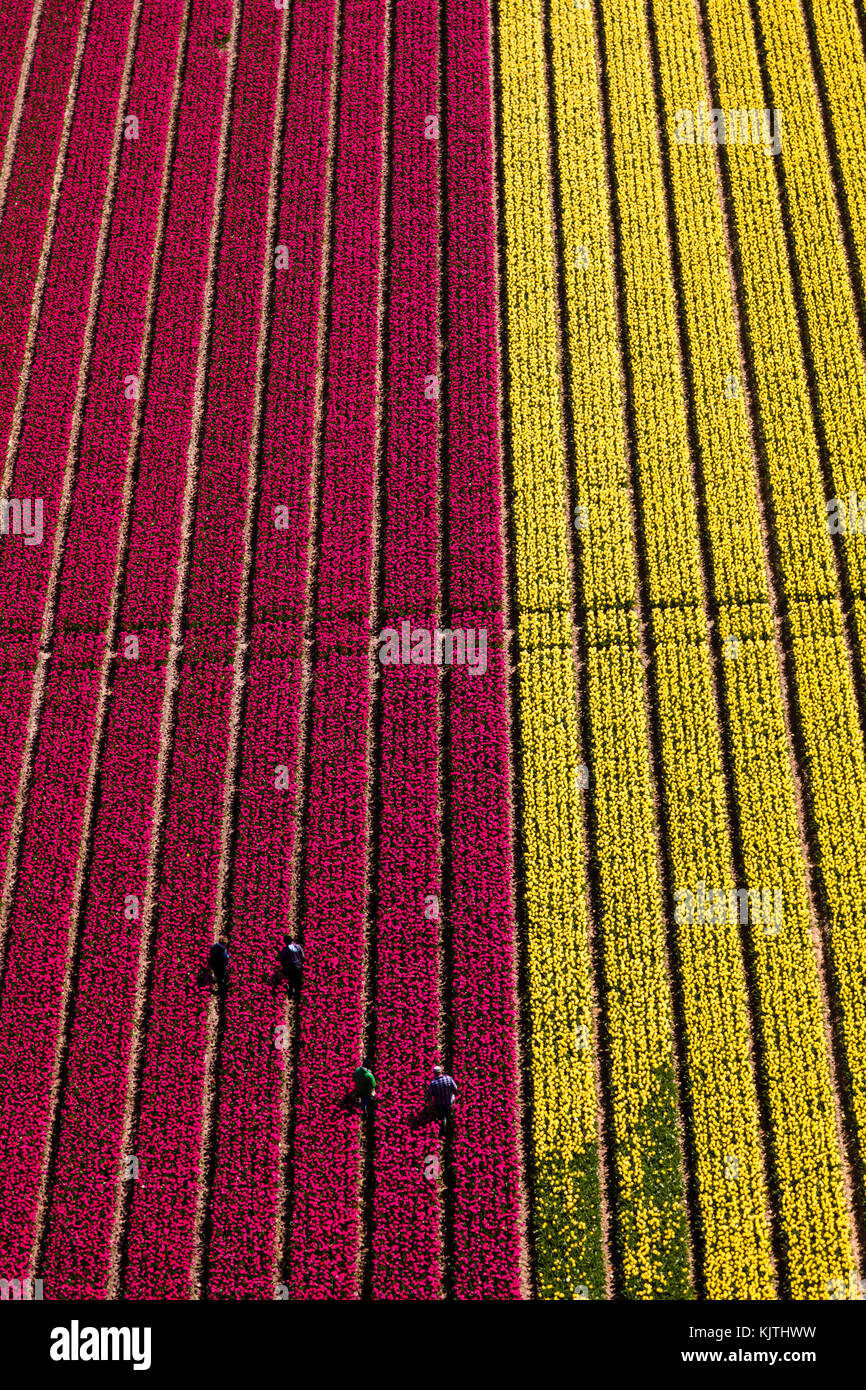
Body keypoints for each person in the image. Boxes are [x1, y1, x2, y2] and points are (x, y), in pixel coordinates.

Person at [426, 1064, 458, 1138]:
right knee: (449, 1114)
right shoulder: (448, 1079)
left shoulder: (433, 1083)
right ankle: (451, 1128)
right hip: (449, 1102)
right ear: (441, 1071)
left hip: (439, 1104)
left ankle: (443, 1131)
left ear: (434, 1073)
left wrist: (427, 1102)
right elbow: (455, 1089)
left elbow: (429, 1096)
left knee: (442, 1117)